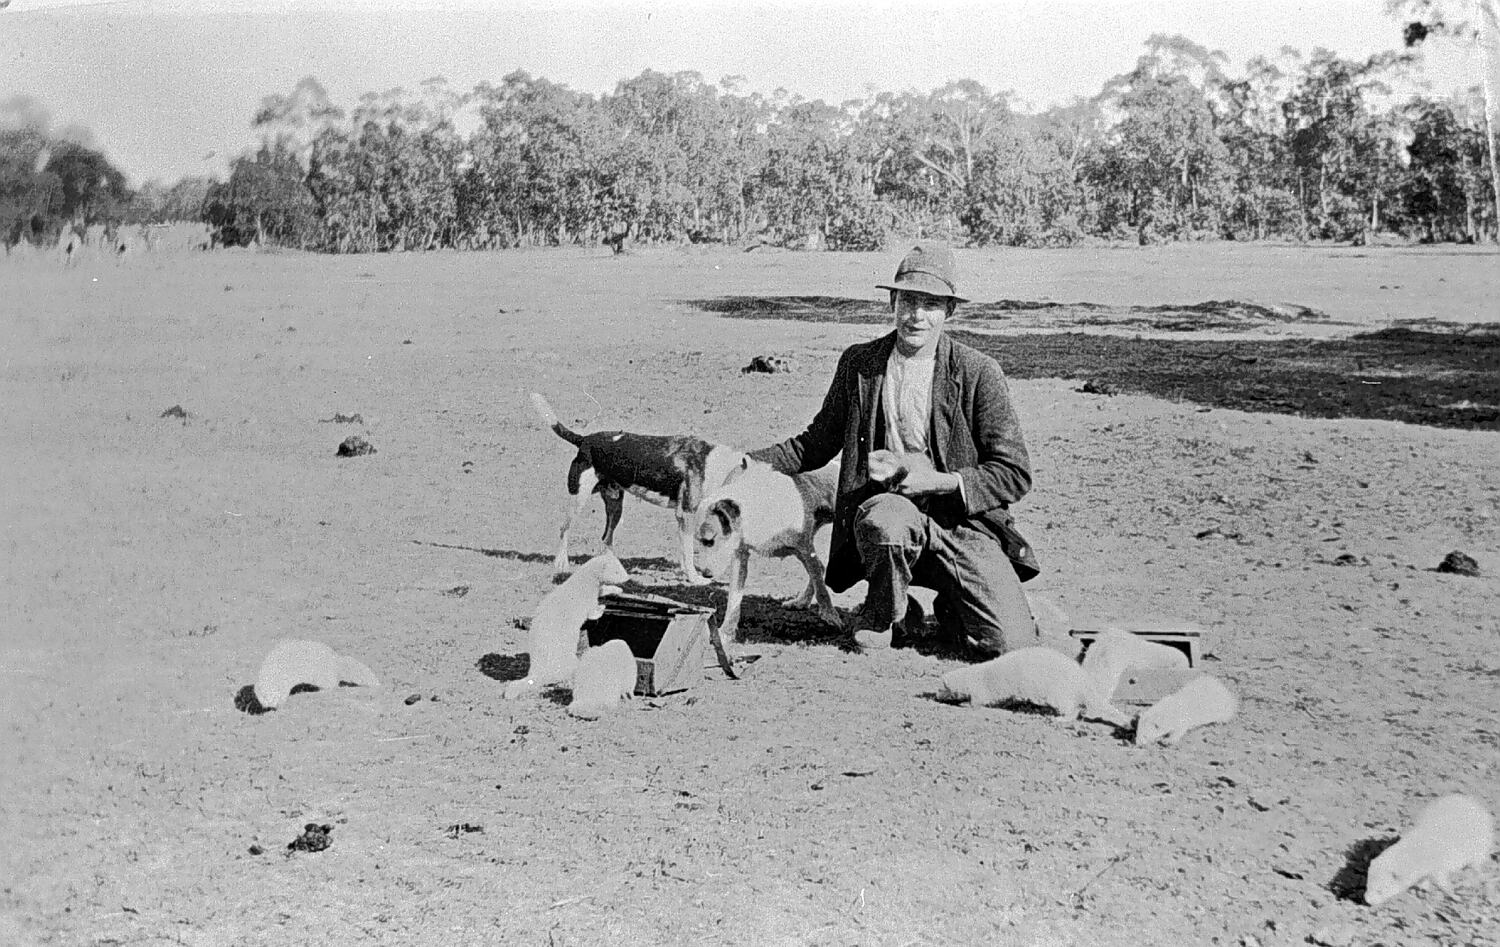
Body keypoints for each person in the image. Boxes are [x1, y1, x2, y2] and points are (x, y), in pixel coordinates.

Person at [749, 241, 1040, 657]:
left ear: (949, 311)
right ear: (892, 301)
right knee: (884, 523)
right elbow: (815, 444)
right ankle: (883, 613)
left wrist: (938, 481)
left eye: (930, 304)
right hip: (892, 514)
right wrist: (743, 463)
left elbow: (1014, 473)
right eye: (907, 300)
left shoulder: (978, 373)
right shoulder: (861, 364)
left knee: (1009, 644)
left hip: (963, 523)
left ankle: (947, 602)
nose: (916, 315)